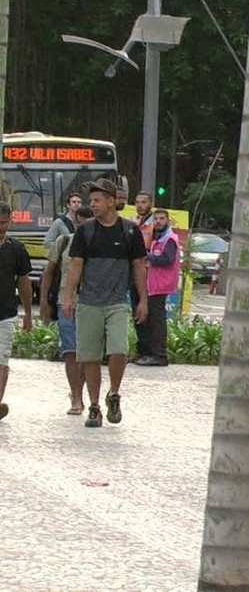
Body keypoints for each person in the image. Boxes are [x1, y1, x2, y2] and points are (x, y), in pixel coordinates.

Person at [62, 179, 149, 428]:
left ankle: (114, 392)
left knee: (118, 349)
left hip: (117, 302)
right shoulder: (85, 231)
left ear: (112, 201)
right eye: (91, 201)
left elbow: (138, 266)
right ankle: (94, 406)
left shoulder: (129, 231)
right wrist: (68, 297)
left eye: (97, 200)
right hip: (89, 302)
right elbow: (76, 266)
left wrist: (142, 299)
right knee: (89, 356)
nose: (93, 205)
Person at [40, 206, 94, 414]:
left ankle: (83, 392)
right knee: (70, 351)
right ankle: (76, 397)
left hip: (91, 304)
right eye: (79, 223)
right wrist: (44, 300)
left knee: (87, 353)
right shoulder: (63, 242)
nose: (82, 227)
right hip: (65, 302)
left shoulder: (99, 245)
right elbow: (49, 273)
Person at [0, 202, 33, 422]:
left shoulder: (16, 248)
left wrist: (29, 313)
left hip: (6, 313)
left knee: (2, 361)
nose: (2, 226)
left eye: (4, 222)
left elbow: (23, 282)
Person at [136, 208, 179, 366]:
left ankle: (159, 355)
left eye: (162, 218)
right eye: (156, 219)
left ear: (167, 220)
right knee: (152, 320)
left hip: (161, 285)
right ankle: (151, 353)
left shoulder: (169, 239)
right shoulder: (158, 239)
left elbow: (167, 259)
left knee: (157, 321)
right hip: (154, 284)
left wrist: (148, 256)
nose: (159, 221)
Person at [130, 191, 154, 362]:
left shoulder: (156, 223)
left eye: (144, 202)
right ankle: (141, 350)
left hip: (149, 273)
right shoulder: (134, 222)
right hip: (134, 271)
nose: (140, 205)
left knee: (148, 313)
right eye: (138, 202)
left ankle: (148, 351)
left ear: (150, 204)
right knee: (136, 311)